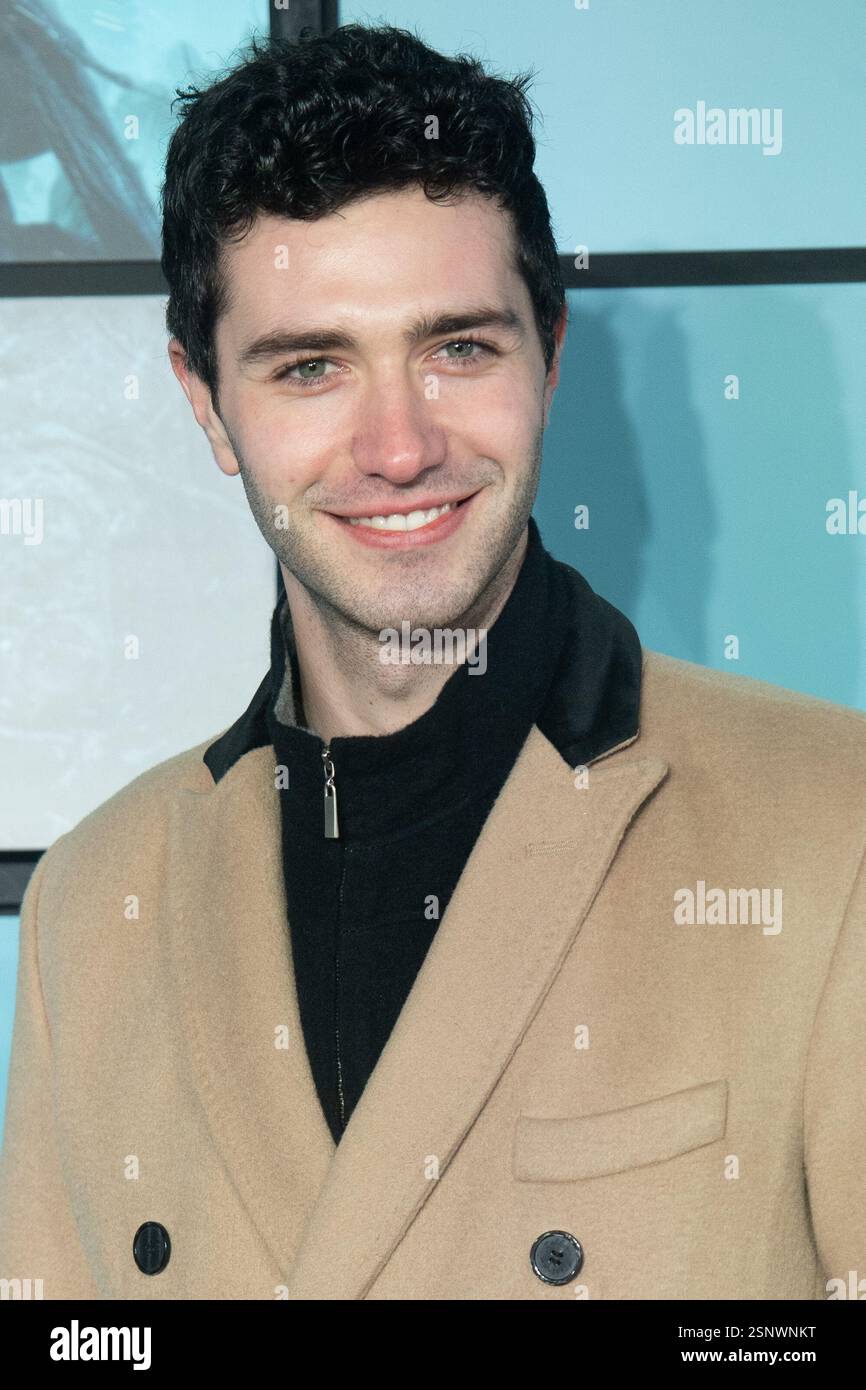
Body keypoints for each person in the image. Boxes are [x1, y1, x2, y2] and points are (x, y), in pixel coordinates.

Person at [1, 22, 865, 1302]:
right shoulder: (92, 907)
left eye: (458, 347)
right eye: (310, 367)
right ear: (205, 405)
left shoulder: (830, 831)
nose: (398, 447)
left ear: (550, 351)